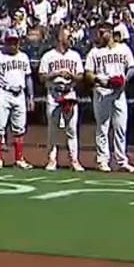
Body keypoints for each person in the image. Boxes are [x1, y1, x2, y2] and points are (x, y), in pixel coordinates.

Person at [84, 26, 134, 173]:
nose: (100, 35)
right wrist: (99, 80)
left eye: (102, 32)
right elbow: (88, 72)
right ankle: (102, 160)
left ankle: (122, 161)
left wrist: (125, 80)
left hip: (119, 92)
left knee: (120, 127)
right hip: (102, 91)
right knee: (103, 127)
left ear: (110, 33)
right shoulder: (95, 52)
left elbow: (132, 67)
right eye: (99, 33)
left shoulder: (123, 48)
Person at [37, 36, 85, 171]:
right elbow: (41, 77)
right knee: (53, 129)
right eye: (68, 37)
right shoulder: (48, 56)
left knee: (72, 129)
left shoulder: (75, 55)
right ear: (60, 38)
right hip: (54, 93)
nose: (70, 39)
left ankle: (74, 160)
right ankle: (52, 160)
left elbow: (80, 76)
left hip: (69, 93)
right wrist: (55, 74)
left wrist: (71, 76)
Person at [0, 32, 34, 169]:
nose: (13, 44)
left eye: (15, 41)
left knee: (19, 128)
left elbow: (28, 77)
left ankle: (19, 159)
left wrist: (30, 97)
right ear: (5, 42)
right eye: (10, 42)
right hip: (3, 92)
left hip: (19, 93)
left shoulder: (24, 57)